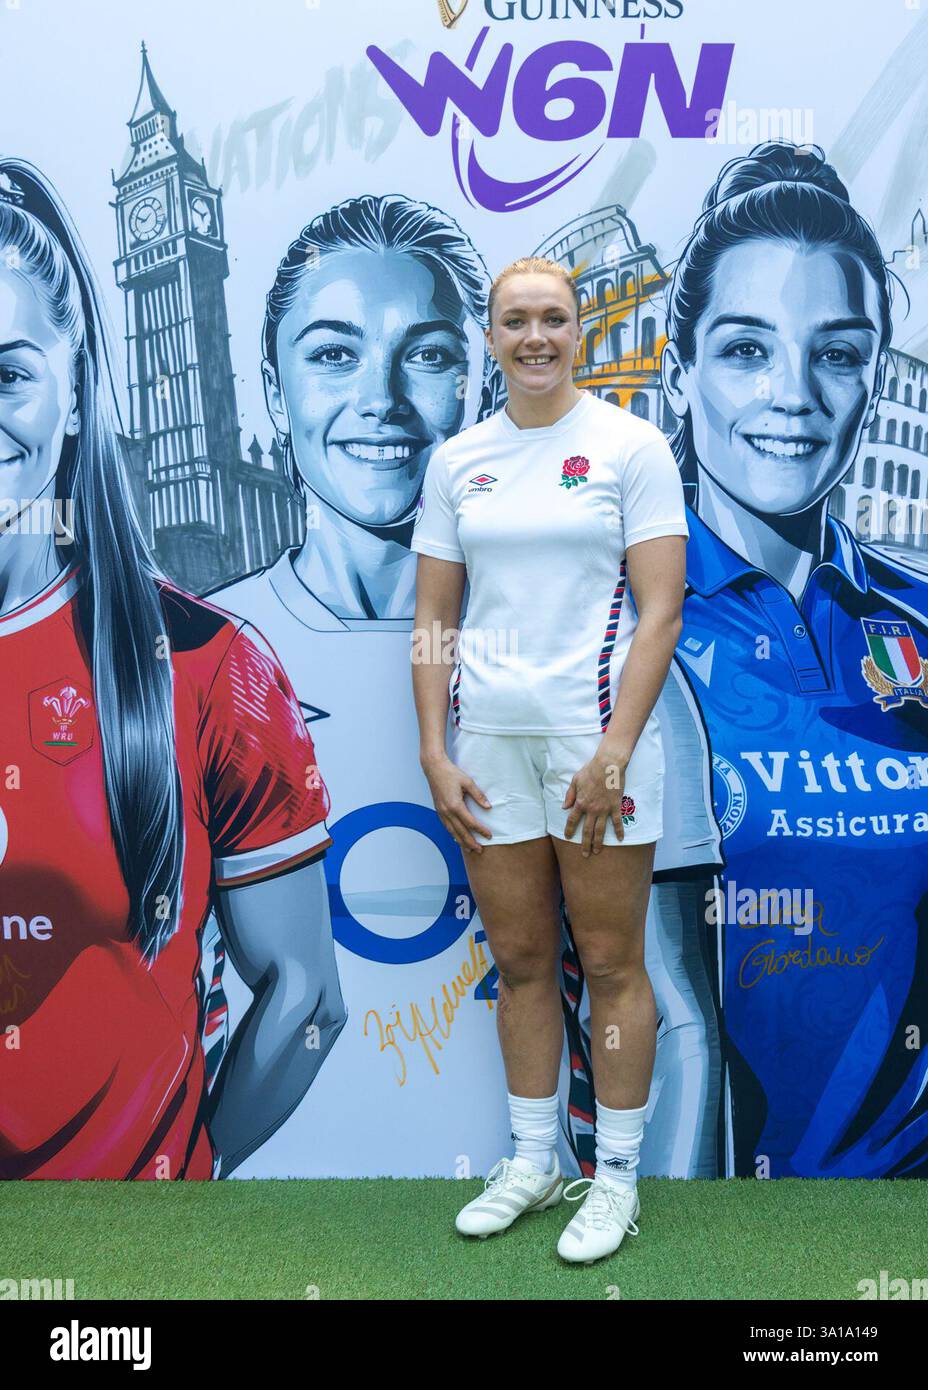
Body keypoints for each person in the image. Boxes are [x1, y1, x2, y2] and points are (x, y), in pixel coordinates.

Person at [0, 158, 343, 1180]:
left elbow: (307, 1001)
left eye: (7, 372)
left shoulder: (209, 669)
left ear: (75, 391)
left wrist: (176, 1182)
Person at [205, 194, 510, 1176]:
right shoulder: (191, 663)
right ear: (269, 387)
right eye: (333, 353)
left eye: (425, 353)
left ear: (483, 387)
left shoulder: (575, 659)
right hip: (247, 1241)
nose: (379, 397)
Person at [411, 255, 690, 1262]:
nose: (535, 337)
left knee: (611, 963)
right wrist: (434, 752)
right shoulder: (459, 462)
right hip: (488, 750)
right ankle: (533, 1160)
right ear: (489, 337)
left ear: (581, 330)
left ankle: (614, 1179)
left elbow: (662, 608)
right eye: (514, 320)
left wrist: (615, 748)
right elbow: (435, 618)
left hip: (595, 751)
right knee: (523, 964)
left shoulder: (630, 446)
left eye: (553, 319)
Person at [660, 141, 928, 1176]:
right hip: (703, 1240)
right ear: (680, 378)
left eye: (836, 352)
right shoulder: (602, 639)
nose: (793, 396)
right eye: (745, 350)